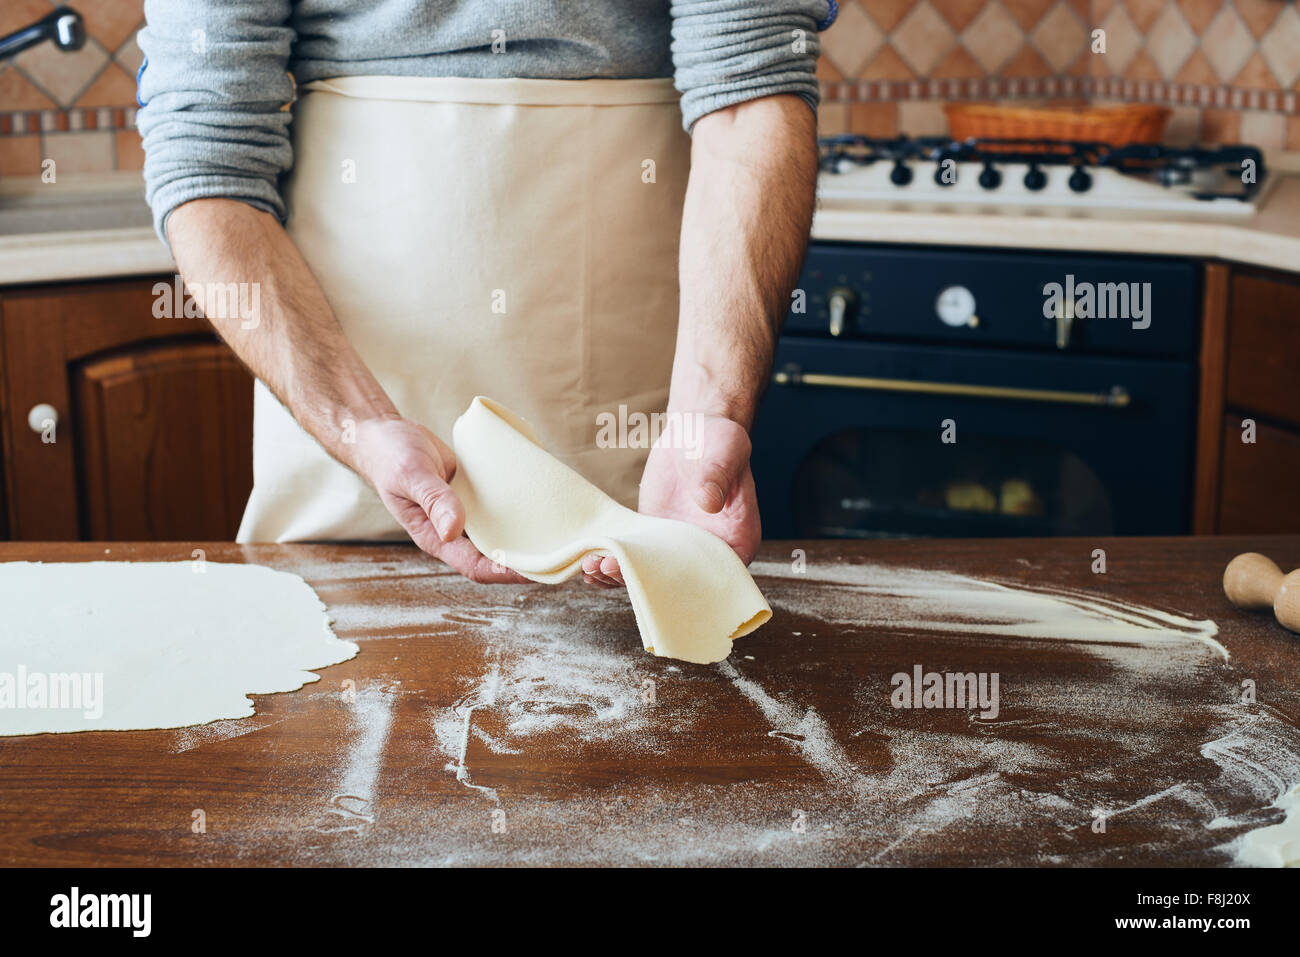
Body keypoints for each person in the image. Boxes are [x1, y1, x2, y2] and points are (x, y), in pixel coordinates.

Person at [137, 1, 834, 586]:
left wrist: (706, 417)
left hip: (645, 427)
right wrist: (360, 427)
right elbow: (207, 157)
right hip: (342, 420)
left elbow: (751, 92)